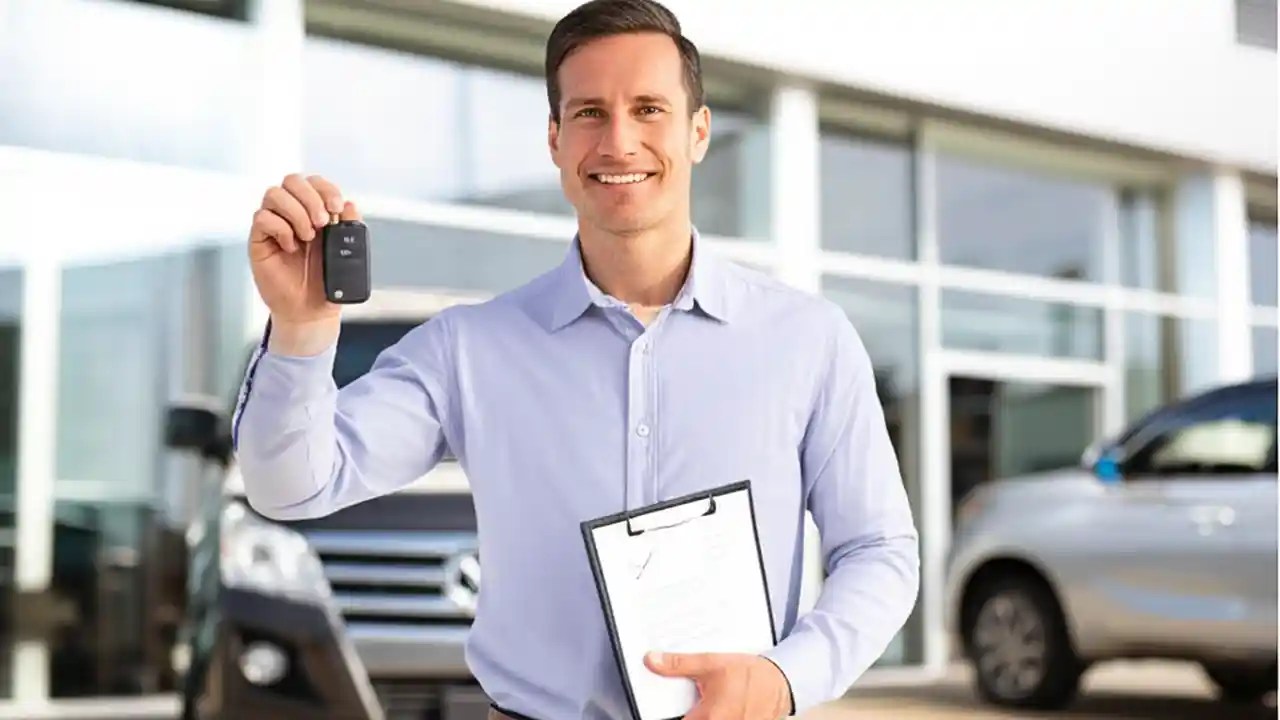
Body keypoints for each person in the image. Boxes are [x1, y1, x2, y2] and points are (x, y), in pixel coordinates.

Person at [234, 0, 920, 718]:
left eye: (648, 108)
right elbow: (291, 488)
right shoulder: (469, 349)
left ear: (698, 132)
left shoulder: (809, 339)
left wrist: (786, 677)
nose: (619, 141)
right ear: (556, 140)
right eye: (590, 112)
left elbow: (879, 551)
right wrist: (302, 329)